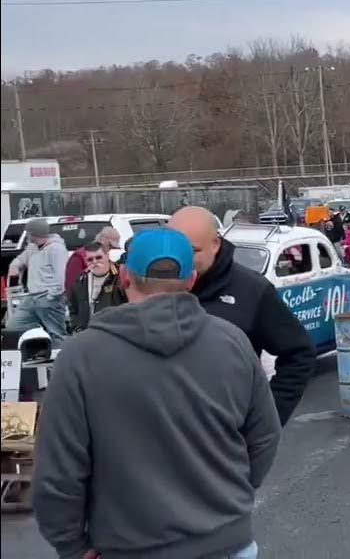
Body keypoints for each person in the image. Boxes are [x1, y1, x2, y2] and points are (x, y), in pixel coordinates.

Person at [33, 228, 280, 559]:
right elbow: (264, 436)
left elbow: (58, 470)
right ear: (192, 279)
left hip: (128, 547)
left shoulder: (81, 356)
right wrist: (230, 495)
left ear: (123, 276)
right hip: (229, 543)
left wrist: (71, 544)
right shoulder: (233, 342)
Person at [169, 206, 316, 424]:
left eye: (193, 251)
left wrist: (268, 418)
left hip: (227, 435)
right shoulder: (154, 284)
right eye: (174, 249)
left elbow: (299, 354)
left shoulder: (251, 290)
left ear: (215, 244)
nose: (182, 260)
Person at [6, 218, 70, 348]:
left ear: (34, 234)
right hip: (32, 298)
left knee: (57, 334)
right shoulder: (32, 247)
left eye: (28, 233)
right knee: (13, 325)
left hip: (49, 298)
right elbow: (21, 259)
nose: (27, 235)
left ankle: (62, 362)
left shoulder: (56, 249)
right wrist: (15, 265)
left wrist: (52, 296)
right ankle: (40, 335)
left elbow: (62, 276)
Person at [66, 241, 126, 334]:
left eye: (99, 257)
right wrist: (77, 327)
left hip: (115, 333)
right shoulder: (80, 280)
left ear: (107, 255)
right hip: (88, 334)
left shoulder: (120, 276)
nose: (95, 262)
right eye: (90, 259)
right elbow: (73, 308)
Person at [62, 227, 122, 293]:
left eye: (113, 247)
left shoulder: (106, 258)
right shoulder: (79, 257)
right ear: (102, 240)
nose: (111, 249)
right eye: (110, 245)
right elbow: (71, 284)